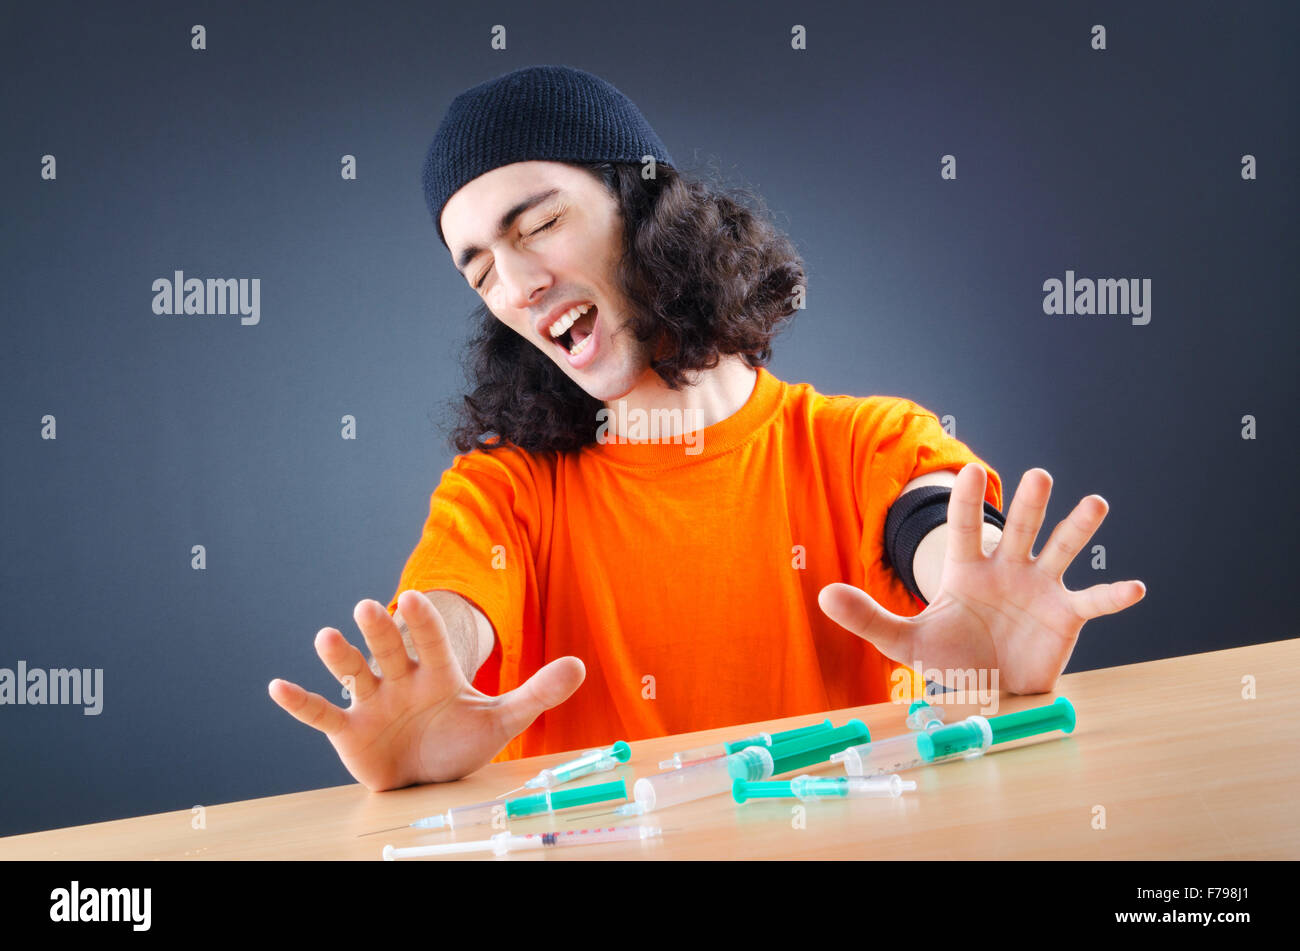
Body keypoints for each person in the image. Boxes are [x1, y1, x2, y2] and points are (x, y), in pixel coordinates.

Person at [268, 65, 1146, 792]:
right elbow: (451, 616)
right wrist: (430, 679)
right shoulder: (504, 490)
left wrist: (985, 628)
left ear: (642, 206)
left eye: (537, 224)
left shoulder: (863, 442)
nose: (517, 285)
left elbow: (936, 530)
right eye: (480, 271)